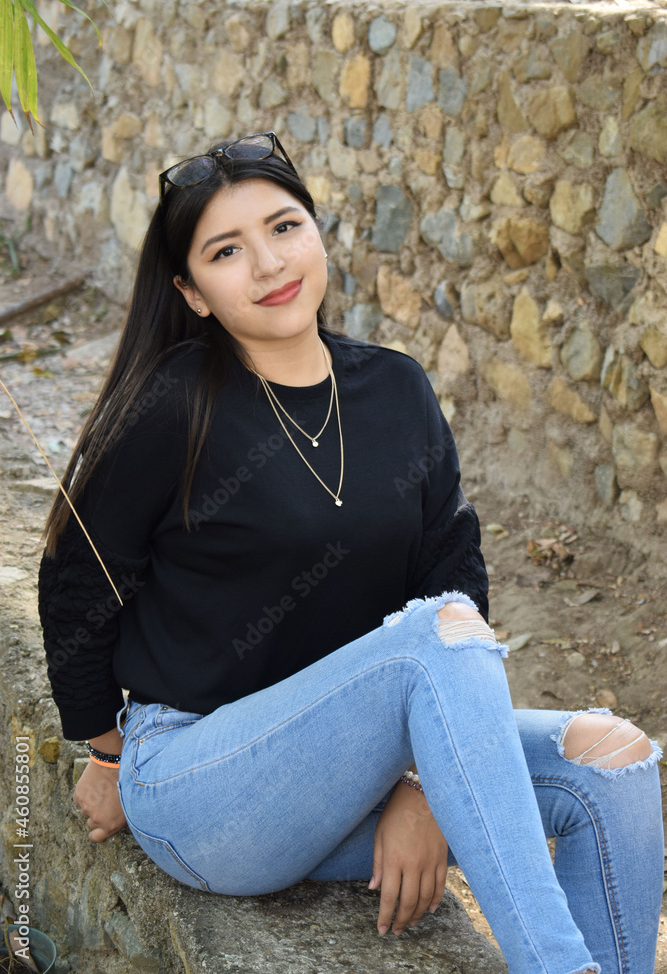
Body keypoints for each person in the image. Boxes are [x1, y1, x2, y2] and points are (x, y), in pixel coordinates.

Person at [39, 131, 664, 974]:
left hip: (356, 765)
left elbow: (455, 572)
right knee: (433, 634)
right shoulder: (175, 406)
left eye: (284, 227)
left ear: (317, 232)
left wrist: (423, 788)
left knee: (612, 759)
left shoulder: (395, 388)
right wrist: (104, 751)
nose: (269, 264)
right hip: (200, 783)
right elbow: (77, 578)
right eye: (228, 251)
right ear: (190, 291)